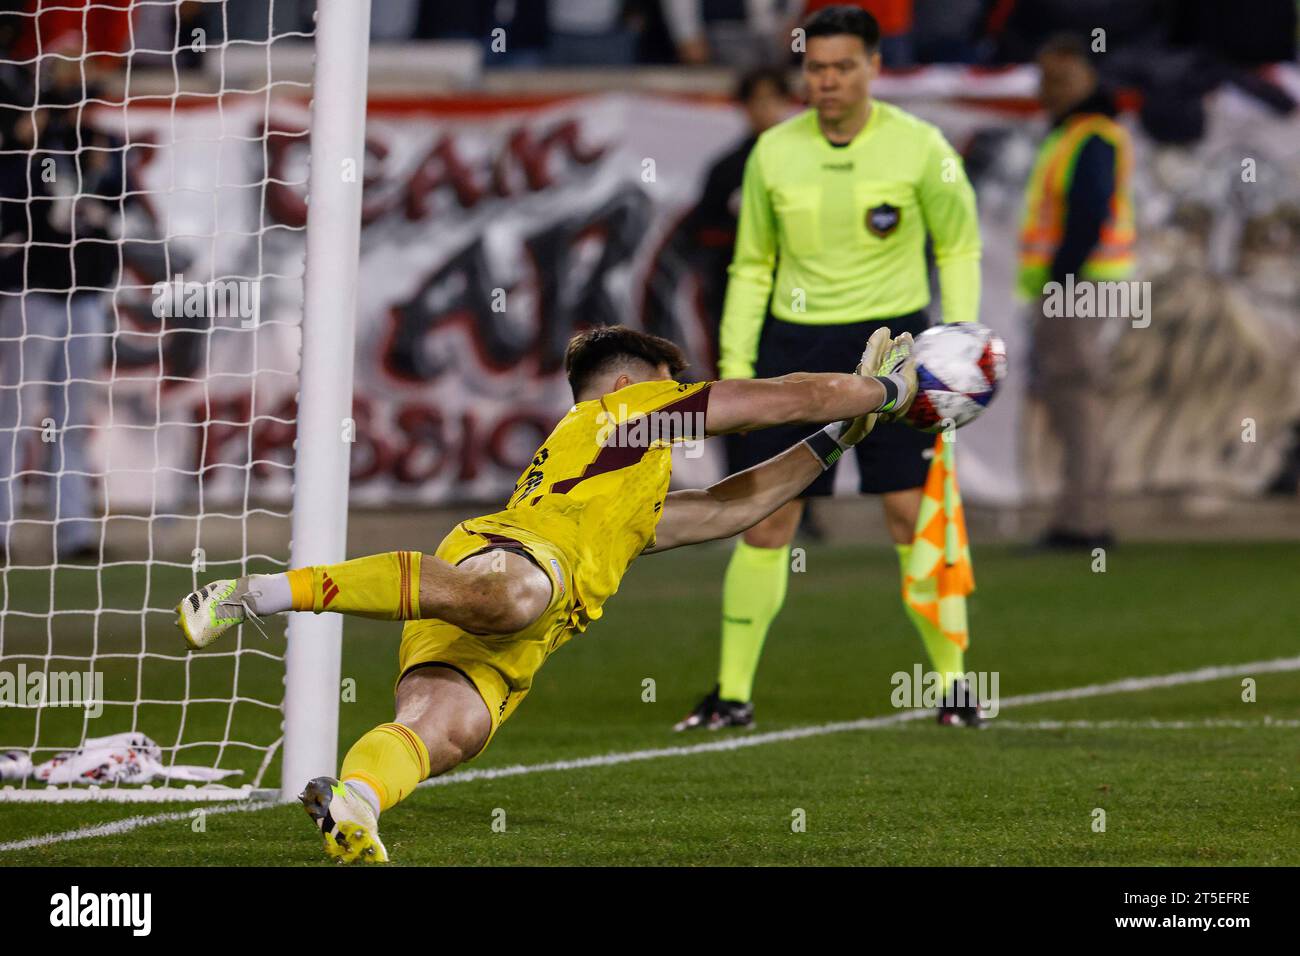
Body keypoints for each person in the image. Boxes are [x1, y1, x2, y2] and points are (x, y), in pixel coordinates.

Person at [176, 324, 918, 863]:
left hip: (527, 620)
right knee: (511, 599)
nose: (683, 396)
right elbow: (776, 399)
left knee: (449, 730)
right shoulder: (626, 419)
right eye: (672, 382)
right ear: (634, 386)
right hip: (511, 565)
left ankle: (356, 802)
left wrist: (841, 437)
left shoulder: (629, 482)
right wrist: (884, 392)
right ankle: (256, 594)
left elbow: (731, 506)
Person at [676, 5, 983, 732]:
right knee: (766, 519)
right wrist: (739, 367)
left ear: (875, 66)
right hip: (794, 352)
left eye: (844, 66)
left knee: (912, 515)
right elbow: (751, 264)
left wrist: (955, 347)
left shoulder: (919, 146)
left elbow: (959, 246)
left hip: (897, 350)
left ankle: (954, 689)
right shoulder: (773, 152)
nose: (829, 81)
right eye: (816, 68)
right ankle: (732, 694)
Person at [1019, 34, 1135, 550]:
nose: (1050, 90)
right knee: (1075, 398)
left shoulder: (1089, 135)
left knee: (1076, 397)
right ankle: (1080, 513)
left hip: (1079, 285)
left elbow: (1088, 215)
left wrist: (1059, 279)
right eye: (1045, 79)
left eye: (1061, 78)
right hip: (1086, 283)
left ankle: (1085, 520)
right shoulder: (1081, 133)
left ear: (1089, 78)